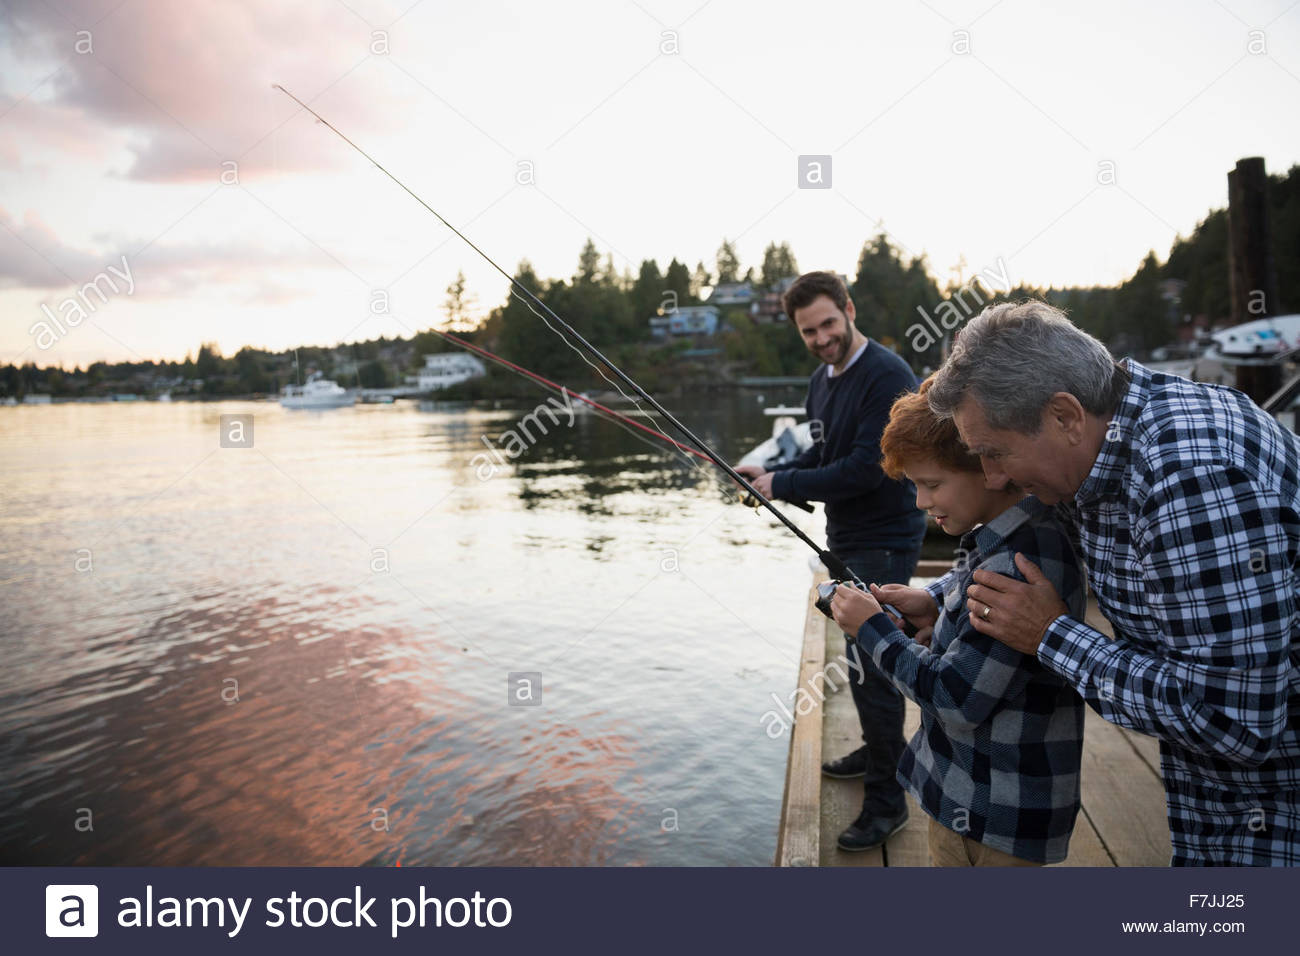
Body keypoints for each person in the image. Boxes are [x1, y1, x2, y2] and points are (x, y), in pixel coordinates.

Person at [924, 299, 1300, 866]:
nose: (993, 478)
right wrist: (939, 597)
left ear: (1064, 416)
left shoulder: (1188, 478)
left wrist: (1052, 634)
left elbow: (1234, 722)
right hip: (1214, 803)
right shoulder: (1106, 442)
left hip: (1274, 814)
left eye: (994, 453)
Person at [829, 378, 1088, 866]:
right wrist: (930, 600)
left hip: (994, 821)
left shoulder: (1018, 568)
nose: (921, 503)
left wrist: (872, 629)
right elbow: (965, 579)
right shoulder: (1002, 539)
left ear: (987, 467)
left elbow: (954, 698)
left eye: (931, 484)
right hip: (964, 800)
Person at [735, 271, 925, 851]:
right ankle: (878, 749)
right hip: (847, 535)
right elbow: (826, 452)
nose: (821, 339)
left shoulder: (886, 375)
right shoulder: (822, 380)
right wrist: (767, 480)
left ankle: (888, 803)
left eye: (828, 324)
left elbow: (869, 466)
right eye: (808, 331)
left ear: (848, 309)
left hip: (887, 537)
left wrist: (783, 477)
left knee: (873, 666)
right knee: (864, 661)